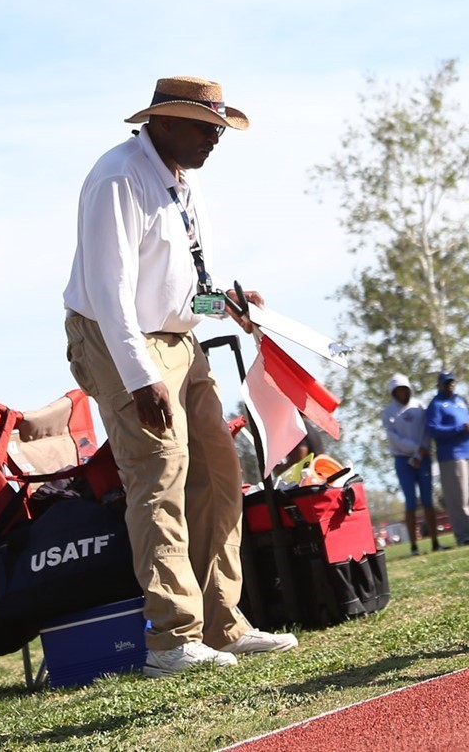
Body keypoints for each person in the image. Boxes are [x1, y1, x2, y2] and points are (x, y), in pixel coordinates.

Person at [62, 75, 295, 676]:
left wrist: (231, 305)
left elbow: (185, 290)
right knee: (158, 474)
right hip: (121, 342)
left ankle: (222, 623)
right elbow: (112, 293)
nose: (213, 139)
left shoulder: (183, 186)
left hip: (178, 339)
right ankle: (171, 640)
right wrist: (141, 376)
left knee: (221, 470)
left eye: (218, 129)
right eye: (203, 127)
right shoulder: (120, 177)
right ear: (162, 122)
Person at [380, 374, 442, 555]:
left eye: (404, 390)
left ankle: (435, 541)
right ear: (393, 392)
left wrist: (421, 451)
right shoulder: (388, 412)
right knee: (410, 502)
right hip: (402, 459)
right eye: (397, 390)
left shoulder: (420, 406)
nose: (401, 393)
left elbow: (426, 430)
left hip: (423, 458)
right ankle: (414, 545)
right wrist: (414, 449)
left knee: (428, 500)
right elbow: (393, 438)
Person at [425, 370, 469, 544]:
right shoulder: (436, 405)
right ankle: (464, 536)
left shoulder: (460, 401)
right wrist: (459, 429)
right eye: (446, 382)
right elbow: (433, 430)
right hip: (451, 455)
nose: (450, 385)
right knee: (459, 499)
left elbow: (464, 426)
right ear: (439, 385)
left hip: (468, 452)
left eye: (452, 381)